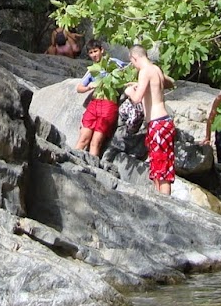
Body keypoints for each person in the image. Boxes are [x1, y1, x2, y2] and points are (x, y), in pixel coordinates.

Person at [127, 45, 175, 195]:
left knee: (161, 168)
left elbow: (136, 98)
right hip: (163, 121)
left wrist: (129, 91)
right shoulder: (156, 69)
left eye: (132, 63)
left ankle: (166, 204)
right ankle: (161, 198)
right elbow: (167, 83)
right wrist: (140, 85)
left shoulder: (144, 71)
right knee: (159, 164)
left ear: (135, 58)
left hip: (157, 123)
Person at [72, 43, 123, 157]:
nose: (94, 55)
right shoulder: (92, 70)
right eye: (91, 53)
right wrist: (89, 87)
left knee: (96, 142)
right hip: (94, 104)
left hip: (108, 104)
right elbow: (79, 88)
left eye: (95, 51)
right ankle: (73, 161)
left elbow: (128, 68)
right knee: (83, 139)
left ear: (102, 50)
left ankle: (92, 169)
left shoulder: (113, 63)